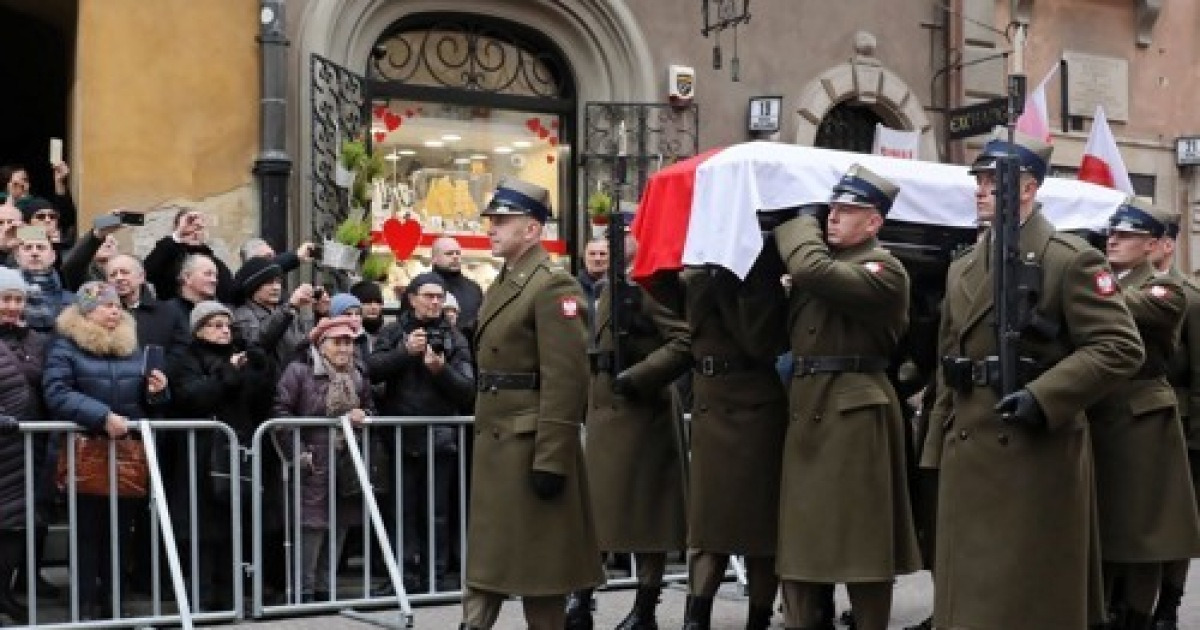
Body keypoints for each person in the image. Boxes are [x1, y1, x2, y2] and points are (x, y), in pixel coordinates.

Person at [922, 129, 1144, 629]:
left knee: (1027, 601)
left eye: (990, 181)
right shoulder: (963, 266)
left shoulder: (1069, 259)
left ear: (1027, 188)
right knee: (967, 603)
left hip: (1032, 451)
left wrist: (1043, 396)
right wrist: (935, 444)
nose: (979, 190)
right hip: (968, 445)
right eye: (977, 181)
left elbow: (1119, 347)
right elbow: (947, 359)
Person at [771, 165, 922, 630]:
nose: (831, 217)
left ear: (874, 222)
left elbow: (810, 267)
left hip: (856, 411)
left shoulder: (885, 268)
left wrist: (795, 222)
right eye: (830, 209)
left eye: (845, 210)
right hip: (809, 404)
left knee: (863, 545)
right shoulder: (825, 268)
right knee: (800, 542)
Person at [460, 179, 603, 630]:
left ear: (532, 230)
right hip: (499, 443)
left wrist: (552, 457)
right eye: (492, 220)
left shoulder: (552, 285)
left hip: (529, 448)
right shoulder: (502, 282)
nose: (493, 228)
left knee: (541, 576)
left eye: (504, 220)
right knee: (490, 566)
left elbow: (566, 379)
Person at [567, 213, 691, 629]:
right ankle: (581, 600)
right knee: (595, 515)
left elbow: (684, 341)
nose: (612, 243)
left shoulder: (649, 285)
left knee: (648, 517)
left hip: (642, 410)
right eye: (608, 236)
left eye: (622, 236)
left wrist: (638, 377)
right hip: (605, 409)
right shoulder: (604, 288)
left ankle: (644, 608)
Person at [1089, 199, 1200, 629]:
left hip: (1149, 420)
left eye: (1127, 234)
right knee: (1112, 526)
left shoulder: (1169, 293)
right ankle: (1112, 607)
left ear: (1156, 244)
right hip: (1103, 415)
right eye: (1111, 233)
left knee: (1148, 531)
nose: (1112, 239)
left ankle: (1151, 610)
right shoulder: (1106, 283)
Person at [42, 281, 171, 620]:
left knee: (120, 531)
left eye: (117, 305)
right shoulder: (65, 347)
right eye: (106, 305)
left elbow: (147, 403)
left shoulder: (131, 348)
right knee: (86, 531)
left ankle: (114, 601)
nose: (115, 310)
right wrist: (100, 416)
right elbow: (56, 392)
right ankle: (84, 603)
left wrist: (157, 392)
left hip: (125, 453)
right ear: (86, 310)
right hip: (84, 451)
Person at [677, 245, 789, 626]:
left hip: (754, 408)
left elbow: (758, 339)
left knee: (759, 530)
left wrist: (724, 280)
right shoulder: (697, 275)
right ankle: (696, 616)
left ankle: (758, 617)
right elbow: (678, 318)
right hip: (712, 400)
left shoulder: (764, 270)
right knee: (708, 527)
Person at [368, 272, 475, 592]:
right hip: (399, 436)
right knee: (400, 510)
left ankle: (434, 576)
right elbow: (370, 369)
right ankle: (400, 576)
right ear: (412, 298)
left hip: (440, 436)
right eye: (428, 296)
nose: (434, 302)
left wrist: (440, 370)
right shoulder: (392, 332)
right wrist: (404, 353)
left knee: (436, 511)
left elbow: (468, 389)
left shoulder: (455, 338)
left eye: (439, 297)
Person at [168, 300, 276, 610]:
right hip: (201, 453)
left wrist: (260, 367)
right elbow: (193, 397)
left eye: (227, 325)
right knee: (202, 529)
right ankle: (200, 597)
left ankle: (232, 597)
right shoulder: (186, 358)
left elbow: (260, 400)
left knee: (235, 525)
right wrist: (228, 374)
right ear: (199, 329)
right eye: (216, 325)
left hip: (236, 449)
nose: (224, 331)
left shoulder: (238, 357)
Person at [273, 314, 375, 602]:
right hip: (312, 461)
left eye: (349, 343)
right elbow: (281, 412)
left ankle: (325, 590)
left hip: (345, 461)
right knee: (310, 527)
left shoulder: (358, 374)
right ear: (321, 344)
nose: (345, 349)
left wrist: (364, 415)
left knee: (339, 524)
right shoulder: (298, 371)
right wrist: (299, 454)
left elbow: (371, 407)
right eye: (338, 342)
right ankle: (303, 592)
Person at [1154, 212, 1200, 629]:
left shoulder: (1191, 296)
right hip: (1132, 422)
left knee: (1174, 518)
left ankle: (1169, 601)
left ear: (1166, 245)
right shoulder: (1115, 286)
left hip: (1180, 424)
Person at [0, 268, 50, 625]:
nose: (13, 306)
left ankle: (5, 592)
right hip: (3, 444)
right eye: (5, 299)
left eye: (18, 300)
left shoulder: (35, 340)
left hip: (28, 448)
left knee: (17, 526)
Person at [231, 256, 314, 368]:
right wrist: (290, 306)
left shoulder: (287, 312)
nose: (276, 288)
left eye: (278, 282)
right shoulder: (242, 315)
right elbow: (258, 342)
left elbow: (303, 344)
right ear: (253, 287)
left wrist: (319, 313)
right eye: (269, 283)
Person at [143, 209, 235, 303]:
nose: (194, 231)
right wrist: (178, 236)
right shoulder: (166, 256)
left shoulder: (213, 261)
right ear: (177, 228)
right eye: (188, 225)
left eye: (198, 228)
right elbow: (147, 272)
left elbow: (229, 292)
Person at [106, 254, 190, 352]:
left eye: (125, 272)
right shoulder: (102, 315)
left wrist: (162, 367)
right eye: (113, 275)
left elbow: (182, 348)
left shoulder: (170, 313)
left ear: (142, 276)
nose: (119, 278)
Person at [13, 226, 74, 333]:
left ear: (53, 256)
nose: (34, 253)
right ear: (17, 257)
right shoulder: (6, 299)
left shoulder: (71, 302)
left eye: (40, 247)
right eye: (28, 248)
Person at [430, 236, 483, 341]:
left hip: (467, 353)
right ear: (434, 259)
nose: (455, 257)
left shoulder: (474, 288)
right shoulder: (422, 286)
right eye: (449, 254)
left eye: (457, 253)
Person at [170, 253, 222, 321]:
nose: (214, 280)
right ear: (187, 277)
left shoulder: (219, 312)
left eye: (216, 276)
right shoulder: (169, 312)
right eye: (208, 274)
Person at [577, 238, 608, 310]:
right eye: (592, 254)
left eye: (602, 254)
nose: (597, 258)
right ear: (584, 258)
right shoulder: (574, 287)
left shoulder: (618, 286)